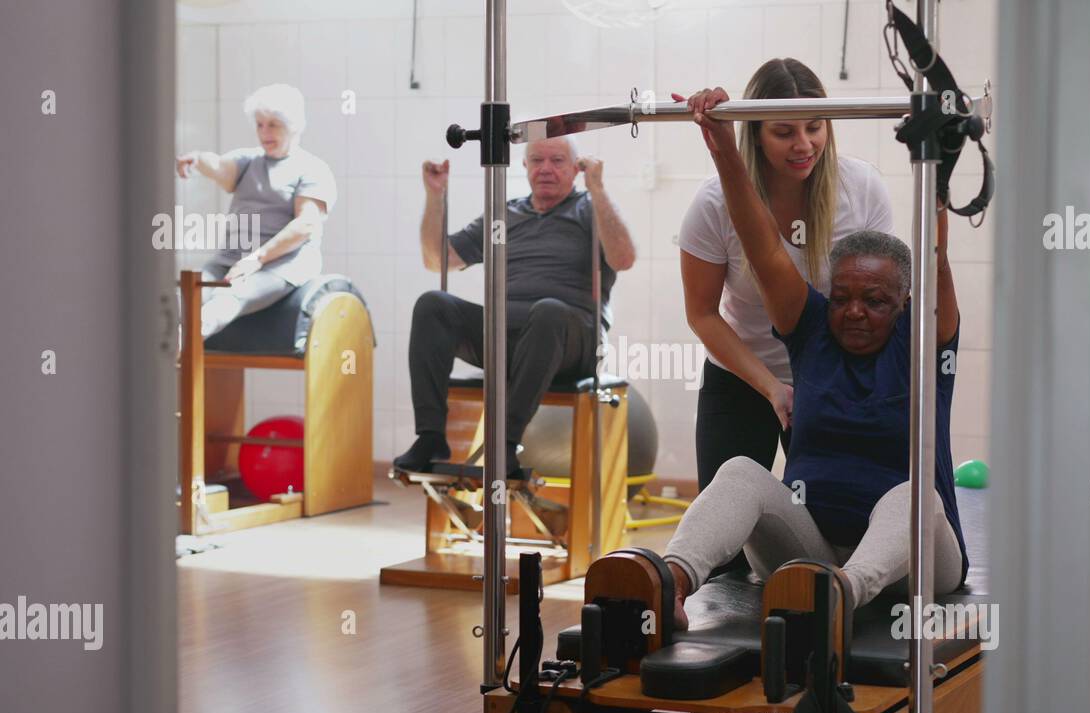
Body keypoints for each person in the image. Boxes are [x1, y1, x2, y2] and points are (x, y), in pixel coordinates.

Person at [663, 90, 967, 630]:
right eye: (842, 296)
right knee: (740, 472)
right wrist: (724, 150)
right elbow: (764, 249)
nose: (853, 312)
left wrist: (937, 173)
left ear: (905, 304)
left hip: (915, 562)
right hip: (814, 558)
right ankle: (666, 583)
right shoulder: (810, 332)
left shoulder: (921, 343)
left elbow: (936, 260)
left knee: (914, 493)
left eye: (874, 301)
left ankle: (843, 596)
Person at [677, 59, 893, 496]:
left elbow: (882, 301)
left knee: (828, 527)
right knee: (725, 539)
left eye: (815, 127)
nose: (803, 144)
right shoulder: (714, 203)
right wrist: (772, 387)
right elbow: (701, 314)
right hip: (741, 378)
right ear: (754, 132)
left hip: (832, 375)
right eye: (784, 132)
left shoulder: (862, 188)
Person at [395, 136, 637, 476]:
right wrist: (435, 196)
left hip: (572, 340)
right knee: (433, 305)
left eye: (557, 161)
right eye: (537, 160)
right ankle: (430, 435)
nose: (546, 169)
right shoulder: (505, 214)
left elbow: (624, 258)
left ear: (575, 167)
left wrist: (597, 188)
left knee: (548, 311)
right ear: (524, 166)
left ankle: (504, 445)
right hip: (506, 339)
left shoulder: (589, 209)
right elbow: (437, 260)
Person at [176, 83, 337, 338]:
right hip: (231, 259)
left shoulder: (313, 169)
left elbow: (306, 225)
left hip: (281, 264)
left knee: (225, 298)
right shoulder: (248, 160)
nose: (265, 133)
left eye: (273, 124)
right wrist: (196, 159)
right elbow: (220, 168)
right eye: (260, 124)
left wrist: (257, 258)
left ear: (293, 125)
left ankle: (173, 353)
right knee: (182, 299)